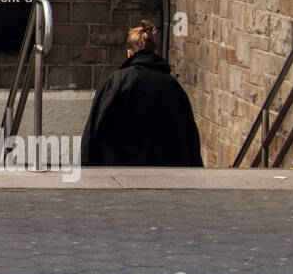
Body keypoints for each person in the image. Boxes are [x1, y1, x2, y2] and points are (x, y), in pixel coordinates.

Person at [81, 20, 203, 167]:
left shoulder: (117, 82)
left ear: (129, 53)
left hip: (119, 170)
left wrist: (86, 165)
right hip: (165, 172)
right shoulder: (172, 86)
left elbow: (94, 128)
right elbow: (189, 133)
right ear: (154, 51)